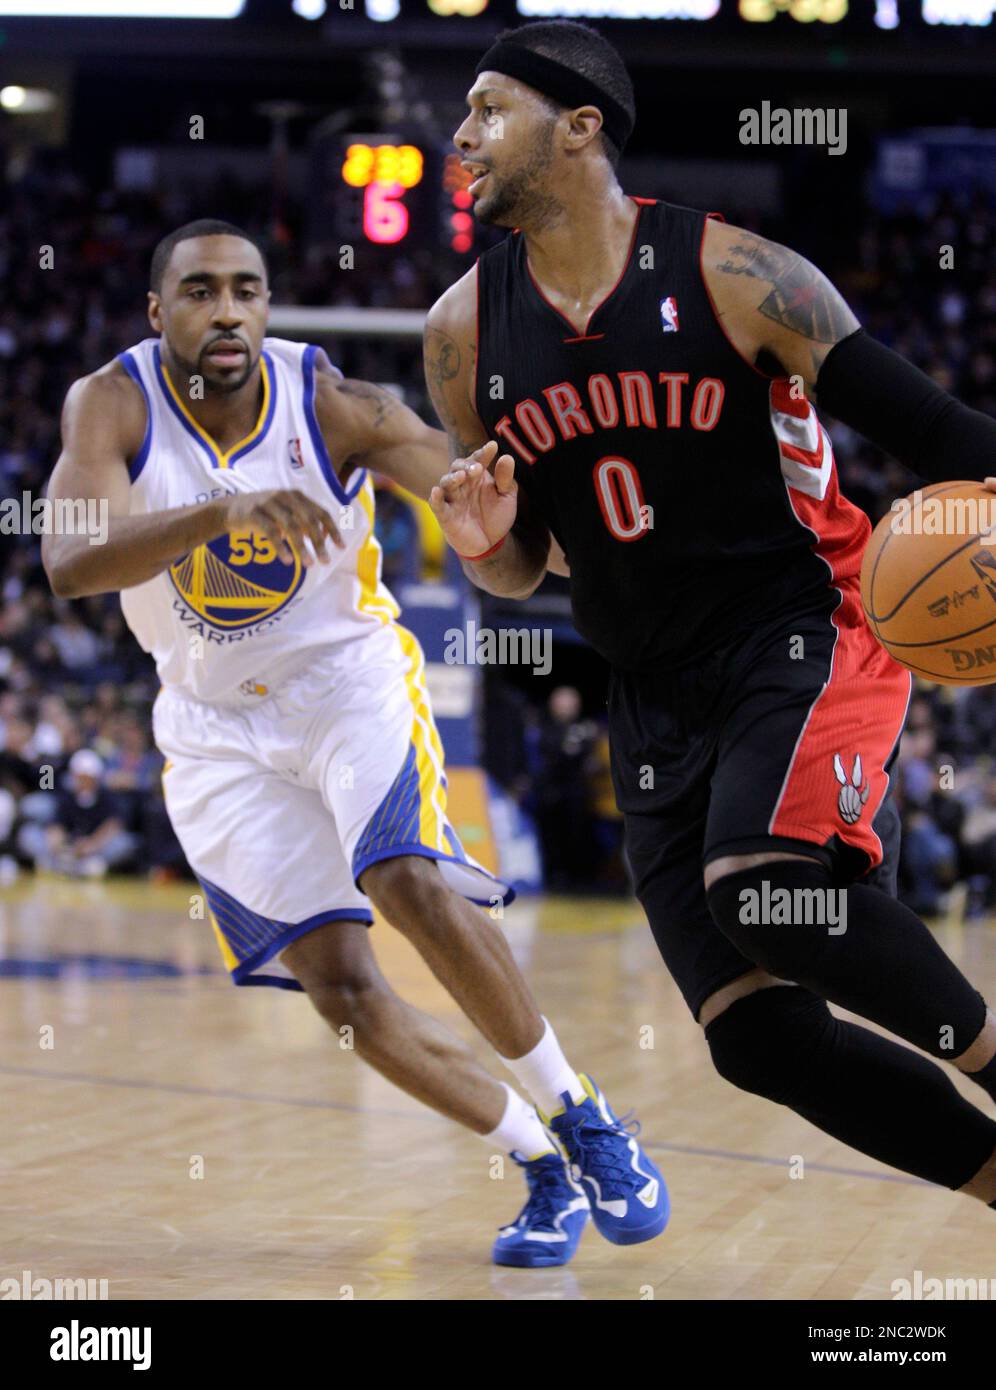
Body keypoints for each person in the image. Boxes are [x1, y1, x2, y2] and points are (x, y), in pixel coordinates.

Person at [426, 20, 996, 1210]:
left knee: (763, 880)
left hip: (806, 622)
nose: (460, 137)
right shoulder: (460, 332)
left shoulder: (740, 275)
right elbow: (524, 564)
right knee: (756, 1039)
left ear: (579, 125)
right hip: (650, 684)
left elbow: (945, 441)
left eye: (486, 109)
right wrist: (485, 547)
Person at [42, 219, 668, 1266]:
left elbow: (468, 491)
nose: (228, 310)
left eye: (247, 289)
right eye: (200, 292)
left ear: (268, 305)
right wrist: (216, 514)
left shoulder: (330, 402)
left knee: (401, 874)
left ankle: (584, 1115)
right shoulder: (110, 402)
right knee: (341, 994)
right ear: (159, 313)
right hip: (211, 730)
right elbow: (70, 562)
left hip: (343, 683)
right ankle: (537, 1164)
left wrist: (496, 513)